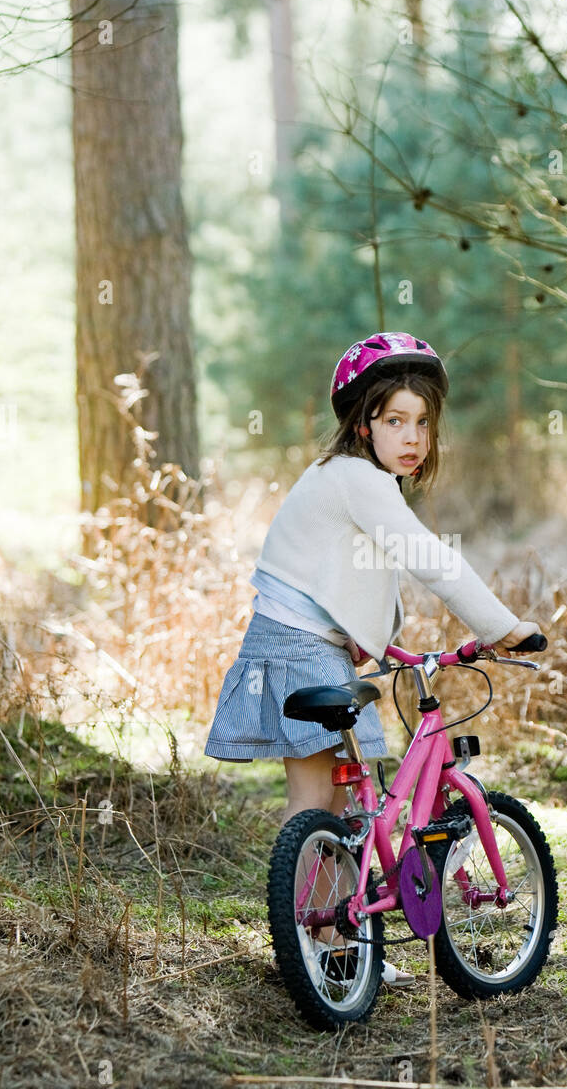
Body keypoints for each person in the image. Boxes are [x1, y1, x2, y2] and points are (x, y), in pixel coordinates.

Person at [204, 331, 540, 986]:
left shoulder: (349, 480)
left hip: (301, 644)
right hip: (300, 649)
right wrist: (502, 627)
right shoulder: (359, 479)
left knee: (331, 803)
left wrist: (384, 645)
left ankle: (330, 941)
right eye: (395, 422)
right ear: (364, 425)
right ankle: (317, 947)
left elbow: (336, 577)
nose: (412, 437)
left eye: (422, 423)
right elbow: (430, 560)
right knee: (316, 802)